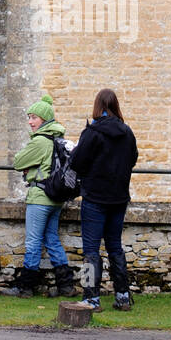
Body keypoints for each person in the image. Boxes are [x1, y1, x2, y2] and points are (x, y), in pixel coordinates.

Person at [69, 88, 139, 311]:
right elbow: (133, 159)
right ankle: (123, 296)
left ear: (98, 106)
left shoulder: (92, 132)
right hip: (118, 198)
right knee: (115, 247)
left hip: (95, 198)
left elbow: (76, 162)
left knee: (90, 250)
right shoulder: (127, 132)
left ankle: (91, 297)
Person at [3, 93, 76, 298]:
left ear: (44, 119)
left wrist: (30, 167)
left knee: (33, 241)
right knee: (51, 239)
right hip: (55, 199)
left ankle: (25, 287)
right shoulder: (57, 139)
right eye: (29, 117)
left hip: (39, 198)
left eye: (34, 117)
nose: (30, 121)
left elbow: (18, 161)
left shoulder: (40, 142)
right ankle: (66, 285)